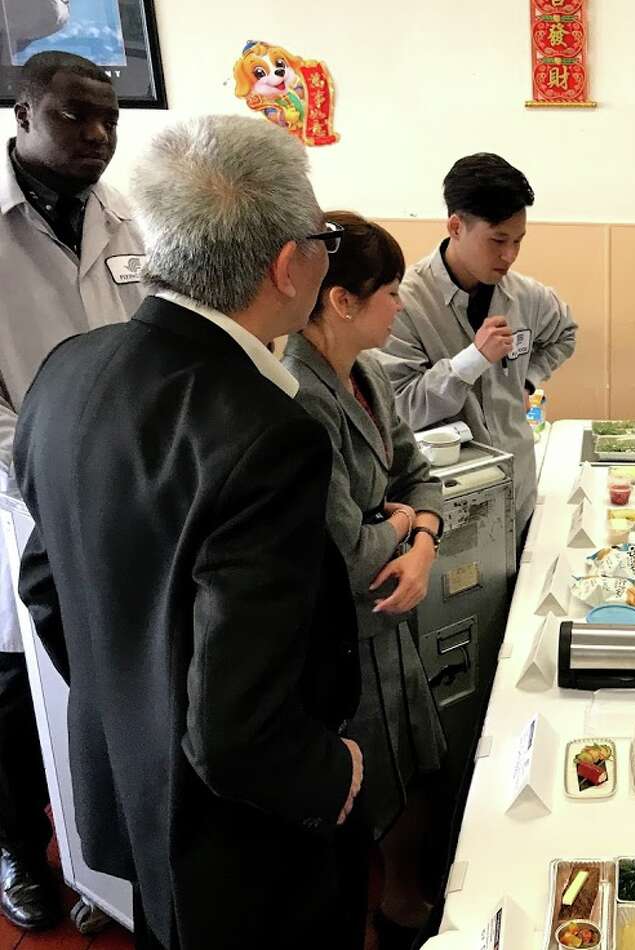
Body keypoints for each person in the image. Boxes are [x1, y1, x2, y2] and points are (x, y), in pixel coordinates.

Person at [14, 115, 365, 950]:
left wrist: (135, 693)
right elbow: (236, 732)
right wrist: (334, 774)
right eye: (323, 239)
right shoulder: (267, 432)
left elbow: (44, 583)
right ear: (289, 265)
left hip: (127, 774)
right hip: (246, 827)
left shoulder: (70, 368)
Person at [0, 51, 145, 931]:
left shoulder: (130, 219)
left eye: (110, 121)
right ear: (22, 112)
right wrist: (64, 482)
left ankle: (103, 867)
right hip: (21, 507)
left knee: (109, 685)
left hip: (130, 499)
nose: (96, 136)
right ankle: (22, 848)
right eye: (74, 118)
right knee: (17, 696)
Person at [281, 211, 448, 949]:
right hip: (341, 634)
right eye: (389, 293)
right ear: (341, 299)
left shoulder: (370, 372)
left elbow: (419, 475)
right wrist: (401, 528)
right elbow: (347, 547)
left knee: (414, 763)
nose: (402, 306)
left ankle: (407, 903)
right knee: (359, 788)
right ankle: (377, 918)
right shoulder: (298, 394)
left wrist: (423, 537)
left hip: (393, 610)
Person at [379, 153, 577, 543]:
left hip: (518, 485)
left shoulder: (526, 296)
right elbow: (400, 409)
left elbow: (565, 334)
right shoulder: (404, 302)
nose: (509, 255)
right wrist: (472, 360)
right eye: (497, 240)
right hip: (446, 501)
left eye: (518, 241)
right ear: (456, 226)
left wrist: (528, 381)